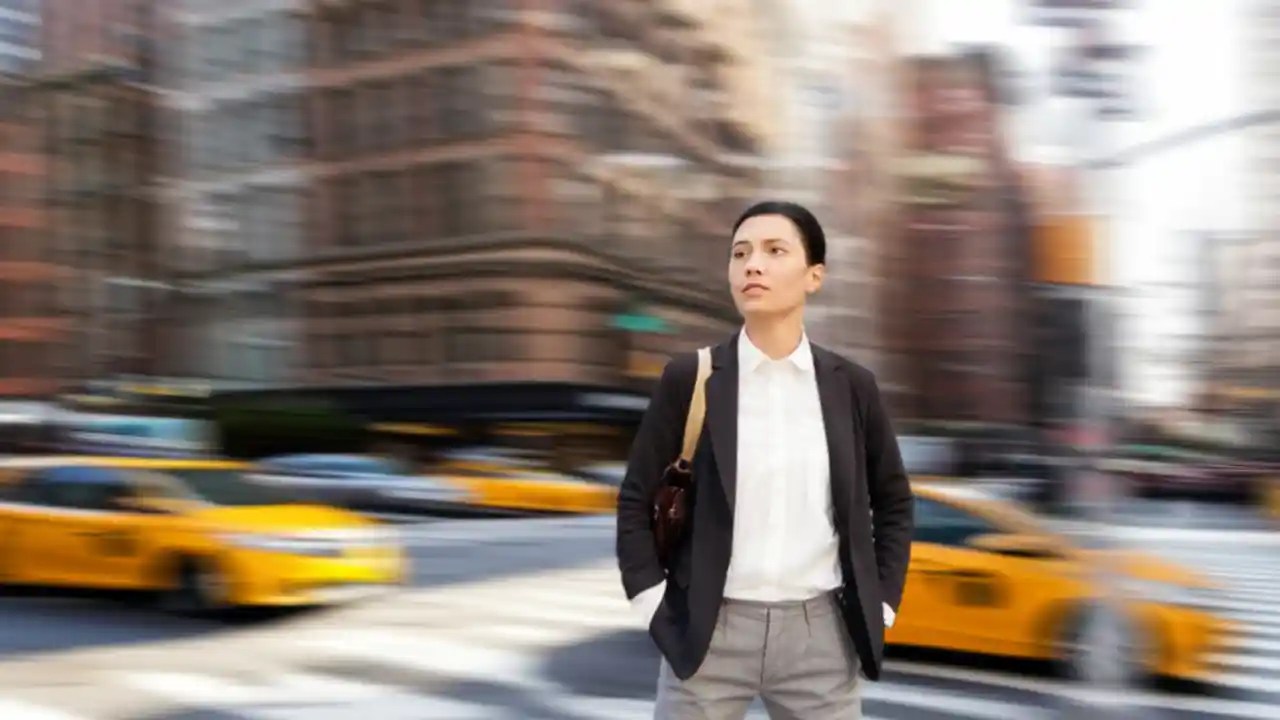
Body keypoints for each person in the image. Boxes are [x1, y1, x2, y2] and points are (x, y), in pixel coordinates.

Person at [616, 200, 915, 719]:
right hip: (706, 631)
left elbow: (893, 502)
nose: (752, 264)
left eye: (775, 251)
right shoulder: (692, 378)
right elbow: (635, 498)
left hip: (821, 637)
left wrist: (881, 603)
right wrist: (651, 603)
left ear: (813, 276)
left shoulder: (853, 388)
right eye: (740, 253)